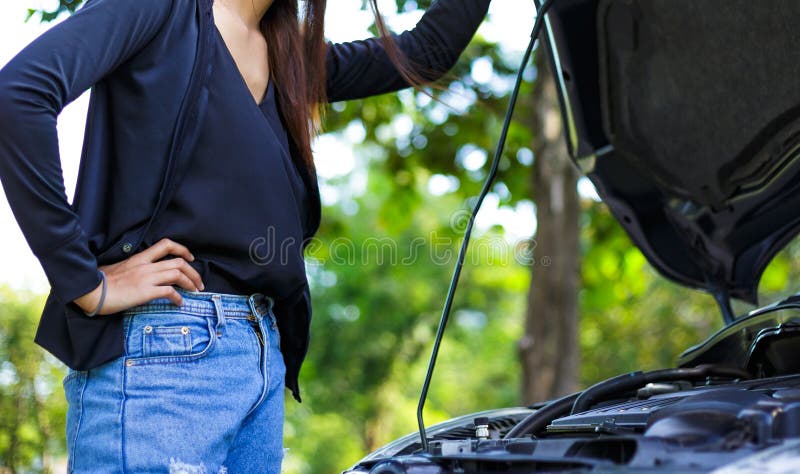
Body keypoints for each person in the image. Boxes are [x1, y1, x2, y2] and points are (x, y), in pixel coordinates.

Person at [0, 0, 492, 471]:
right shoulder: (158, 8)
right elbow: (18, 94)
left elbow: (427, 51)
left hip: (259, 354)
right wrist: (84, 280)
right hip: (162, 350)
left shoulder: (289, 56)